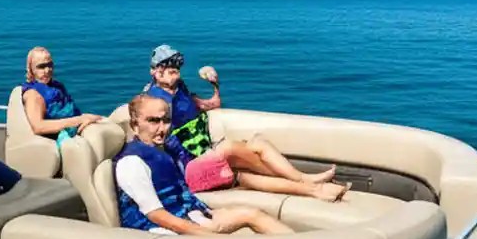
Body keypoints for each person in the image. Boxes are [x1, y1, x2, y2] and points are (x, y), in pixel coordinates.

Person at [142, 44, 349, 202]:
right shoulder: (152, 101)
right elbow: (158, 139)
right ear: (155, 72)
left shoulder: (181, 89)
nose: (174, 72)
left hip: (203, 155)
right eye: (168, 68)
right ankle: (307, 182)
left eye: (175, 68)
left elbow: (212, 105)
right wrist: (202, 155)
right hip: (187, 169)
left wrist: (214, 86)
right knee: (231, 150)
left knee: (257, 145)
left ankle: (312, 187)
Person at [113, 94, 294, 235]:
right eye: (153, 121)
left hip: (187, 215)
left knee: (252, 214)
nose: (162, 128)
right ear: (135, 125)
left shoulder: (164, 151)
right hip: (159, 232)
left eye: (166, 120)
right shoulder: (132, 163)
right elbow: (157, 216)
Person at [21, 46, 105, 146]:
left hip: (76, 129)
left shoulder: (57, 86)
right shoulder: (33, 94)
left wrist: (85, 119)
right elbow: (38, 127)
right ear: (31, 69)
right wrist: (79, 120)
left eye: (50, 65)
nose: (47, 70)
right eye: (41, 67)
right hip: (61, 139)